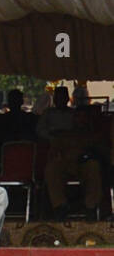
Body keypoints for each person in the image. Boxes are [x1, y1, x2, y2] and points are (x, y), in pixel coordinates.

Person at [38, 85, 103, 220]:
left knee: (94, 167)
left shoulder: (93, 135)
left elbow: (101, 151)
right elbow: (52, 147)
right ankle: (60, 206)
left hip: (85, 164)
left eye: (82, 117)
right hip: (66, 163)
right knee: (52, 168)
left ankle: (90, 207)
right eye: (77, 117)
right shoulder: (61, 132)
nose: (80, 120)